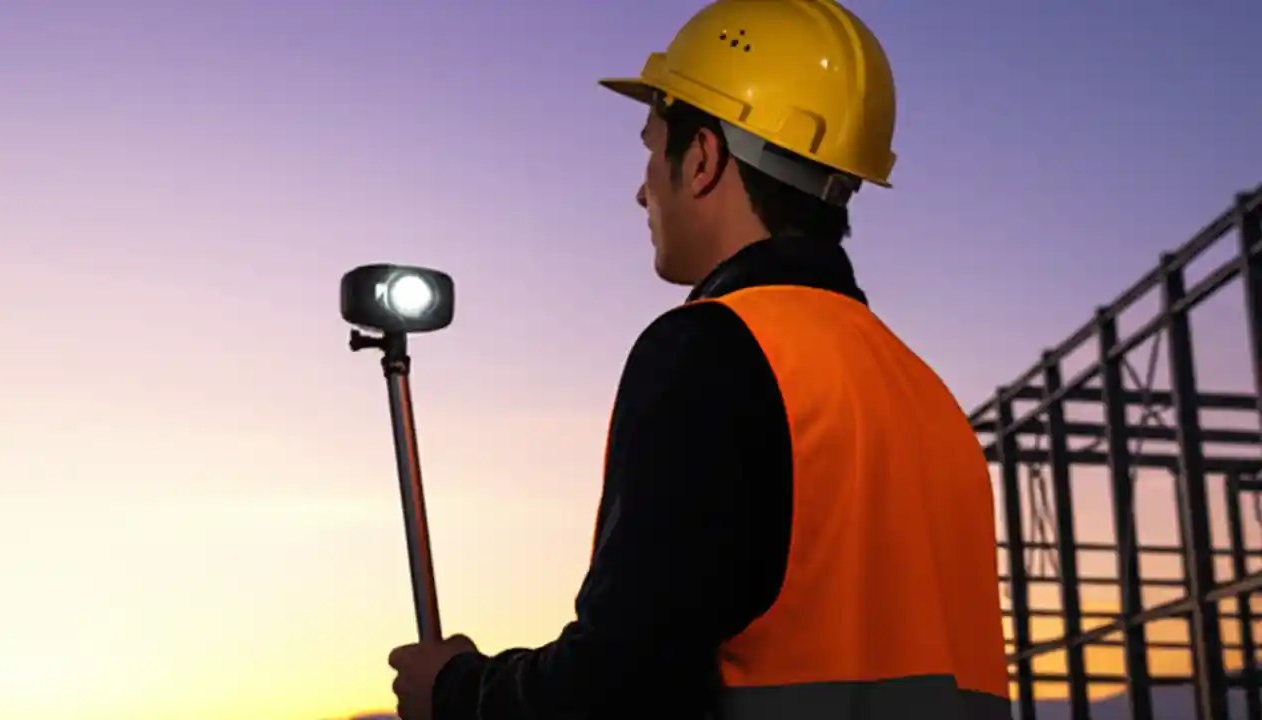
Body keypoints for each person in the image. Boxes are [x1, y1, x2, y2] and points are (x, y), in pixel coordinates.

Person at [388, 1, 1012, 718]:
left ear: (705, 157)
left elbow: (624, 683)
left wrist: (457, 690)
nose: (642, 187)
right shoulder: (924, 394)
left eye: (652, 148)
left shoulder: (715, 348)